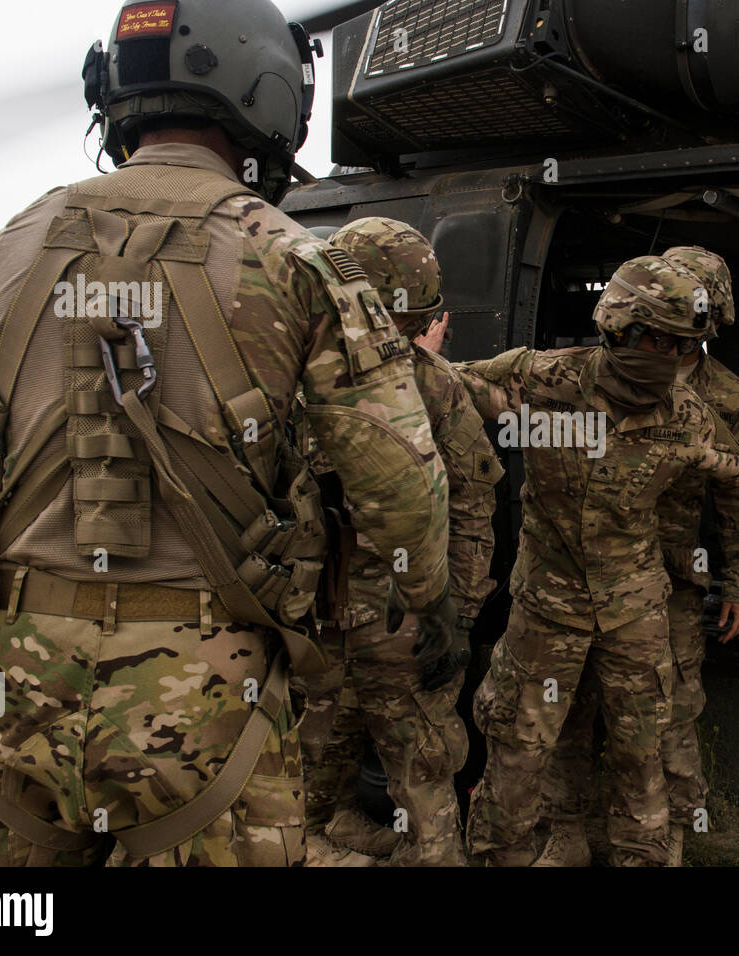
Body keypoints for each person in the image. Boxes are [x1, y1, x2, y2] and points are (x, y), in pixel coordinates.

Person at [0, 0, 452, 866]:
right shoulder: (302, 264)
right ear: (265, 94)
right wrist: (422, 601)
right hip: (209, 691)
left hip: (12, 673)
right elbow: (402, 495)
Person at [454, 255, 739, 865]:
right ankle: (510, 851)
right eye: (658, 339)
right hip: (548, 606)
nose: (669, 355)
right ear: (618, 328)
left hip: (636, 607)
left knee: (642, 750)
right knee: (519, 743)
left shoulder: (690, 413)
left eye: (682, 344)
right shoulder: (544, 379)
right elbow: (448, 383)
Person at [535, 246, 739, 866]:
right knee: (570, 707)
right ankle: (566, 833)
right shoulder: (595, 370)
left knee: (667, 712)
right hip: (582, 574)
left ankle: (663, 836)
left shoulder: (724, 394)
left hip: (672, 579)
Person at [298, 217, 502, 866]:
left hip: (393, 623)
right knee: (315, 785)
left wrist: (460, 616)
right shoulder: (298, 378)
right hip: (323, 622)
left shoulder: (434, 384)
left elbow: (473, 505)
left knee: (423, 791)